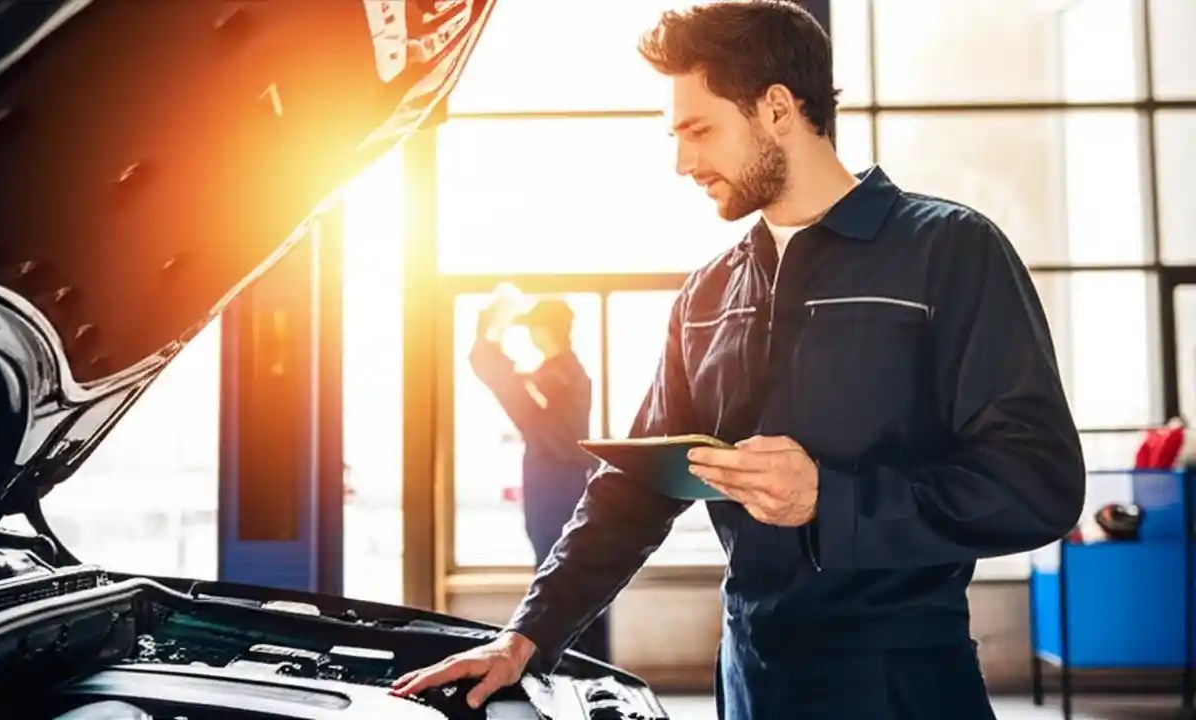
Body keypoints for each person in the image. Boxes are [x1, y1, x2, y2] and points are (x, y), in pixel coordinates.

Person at [392, 2, 1086, 717]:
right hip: (750, 685)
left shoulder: (949, 252)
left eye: (699, 131)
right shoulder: (708, 294)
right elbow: (634, 491)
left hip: (901, 685)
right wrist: (525, 636)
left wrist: (831, 500)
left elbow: (1036, 483)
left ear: (777, 109)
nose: (683, 163)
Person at [466, 291, 611, 663]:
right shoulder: (563, 374)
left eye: (533, 328)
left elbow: (505, 382)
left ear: (545, 331)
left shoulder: (558, 376)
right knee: (569, 573)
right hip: (561, 486)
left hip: (557, 490)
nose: (529, 336)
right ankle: (581, 664)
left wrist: (489, 335)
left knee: (561, 576)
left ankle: (575, 667)